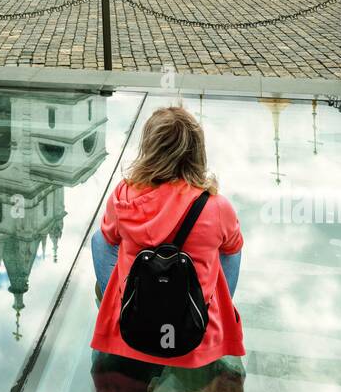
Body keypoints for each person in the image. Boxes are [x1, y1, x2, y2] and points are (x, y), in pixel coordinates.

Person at [91, 105, 244, 369]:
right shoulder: (217, 207)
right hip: (194, 335)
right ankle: (216, 312)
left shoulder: (123, 196)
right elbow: (232, 249)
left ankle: (117, 302)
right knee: (231, 249)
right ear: (197, 152)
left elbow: (108, 239)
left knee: (100, 239)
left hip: (133, 330)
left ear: (149, 149)